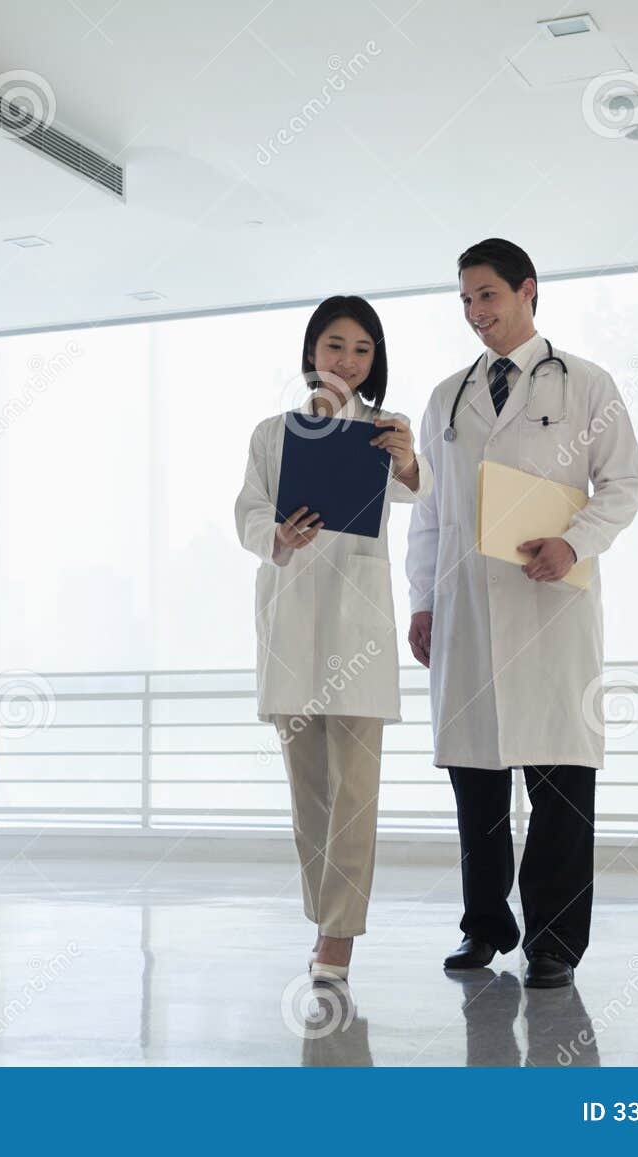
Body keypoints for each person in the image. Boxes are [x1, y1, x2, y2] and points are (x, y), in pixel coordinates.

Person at [405, 239, 638, 989]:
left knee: (560, 788)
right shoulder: (446, 397)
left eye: (488, 296)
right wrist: (420, 599)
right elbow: (430, 513)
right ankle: (485, 927)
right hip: (467, 610)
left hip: (551, 609)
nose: (477, 313)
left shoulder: (587, 385)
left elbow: (625, 483)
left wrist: (574, 545)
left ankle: (553, 942)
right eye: (467, 301)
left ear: (527, 290)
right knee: (476, 786)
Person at [234, 295, 433, 984]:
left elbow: (422, 492)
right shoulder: (271, 433)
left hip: (358, 635)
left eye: (362, 349)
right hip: (292, 625)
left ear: (374, 360)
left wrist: (409, 463)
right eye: (335, 345)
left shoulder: (385, 431)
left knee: (356, 793)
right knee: (309, 792)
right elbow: (249, 511)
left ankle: (339, 937)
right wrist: (277, 538)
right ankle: (324, 914)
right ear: (312, 351)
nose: (347, 359)